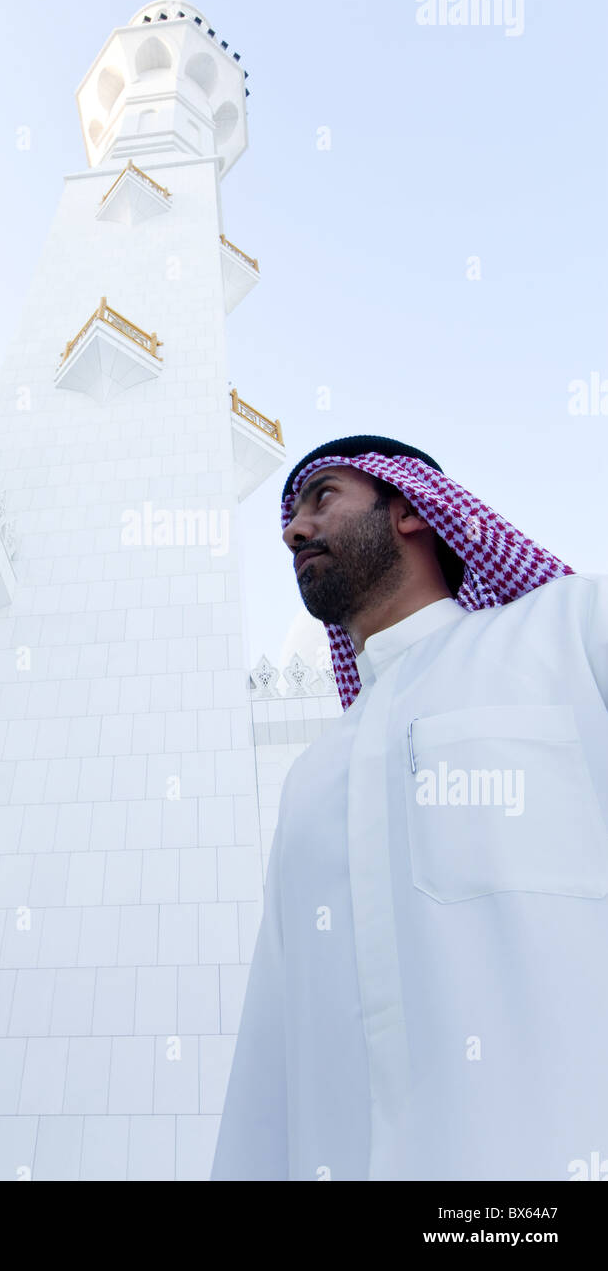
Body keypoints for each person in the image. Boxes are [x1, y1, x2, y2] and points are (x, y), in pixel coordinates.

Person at [210, 435, 608, 1181]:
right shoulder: (311, 779)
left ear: (410, 510)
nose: (294, 530)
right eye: (288, 518)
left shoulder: (569, 634)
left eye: (322, 497)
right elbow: (271, 1056)